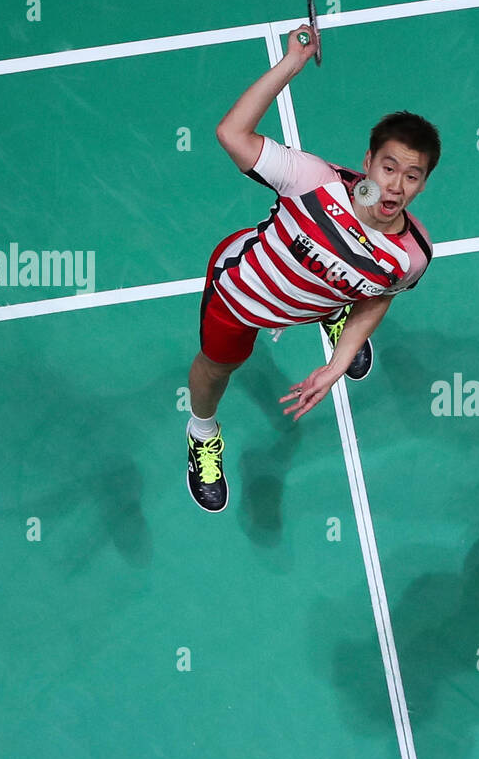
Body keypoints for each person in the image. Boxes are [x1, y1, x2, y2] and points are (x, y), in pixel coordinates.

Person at [186, 25, 440, 512]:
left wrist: (337, 364)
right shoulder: (312, 181)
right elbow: (230, 134)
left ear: (423, 184)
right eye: (388, 168)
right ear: (368, 162)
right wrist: (290, 65)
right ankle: (201, 431)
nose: (394, 188)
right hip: (243, 292)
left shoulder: (412, 255)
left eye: (412, 176)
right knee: (217, 370)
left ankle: (330, 312)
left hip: (315, 295)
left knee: (351, 284)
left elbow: (380, 294)